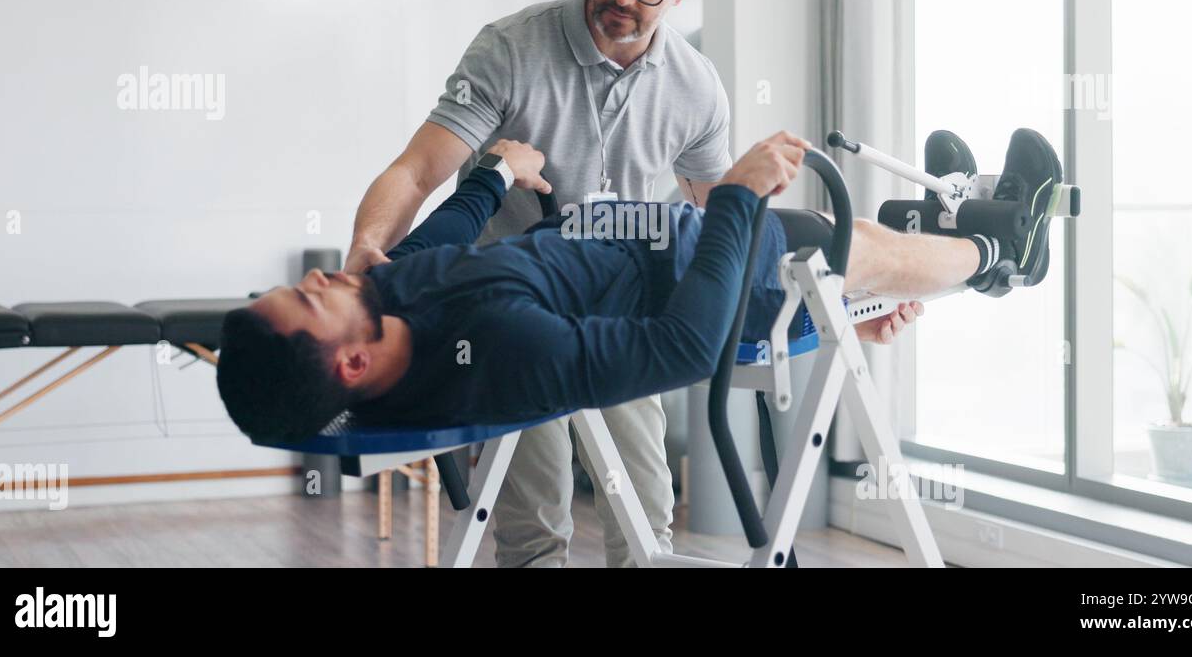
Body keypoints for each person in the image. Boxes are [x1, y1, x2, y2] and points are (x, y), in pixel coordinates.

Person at [217, 126, 1063, 471]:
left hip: (651, 235)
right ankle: (1000, 249)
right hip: (709, 277)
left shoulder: (385, 302)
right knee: (852, 247)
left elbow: (433, 246)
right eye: (311, 299)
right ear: (353, 359)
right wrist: (734, 196)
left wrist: (495, 173)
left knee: (857, 261)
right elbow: (686, 350)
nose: (324, 274)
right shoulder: (505, 351)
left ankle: (938, 237)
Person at [343, 0, 731, 567]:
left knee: (645, 517)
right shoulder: (511, 48)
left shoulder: (696, 87)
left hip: (620, 303)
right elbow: (416, 171)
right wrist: (364, 251)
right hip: (511, 301)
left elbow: (722, 220)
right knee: (533, 520)